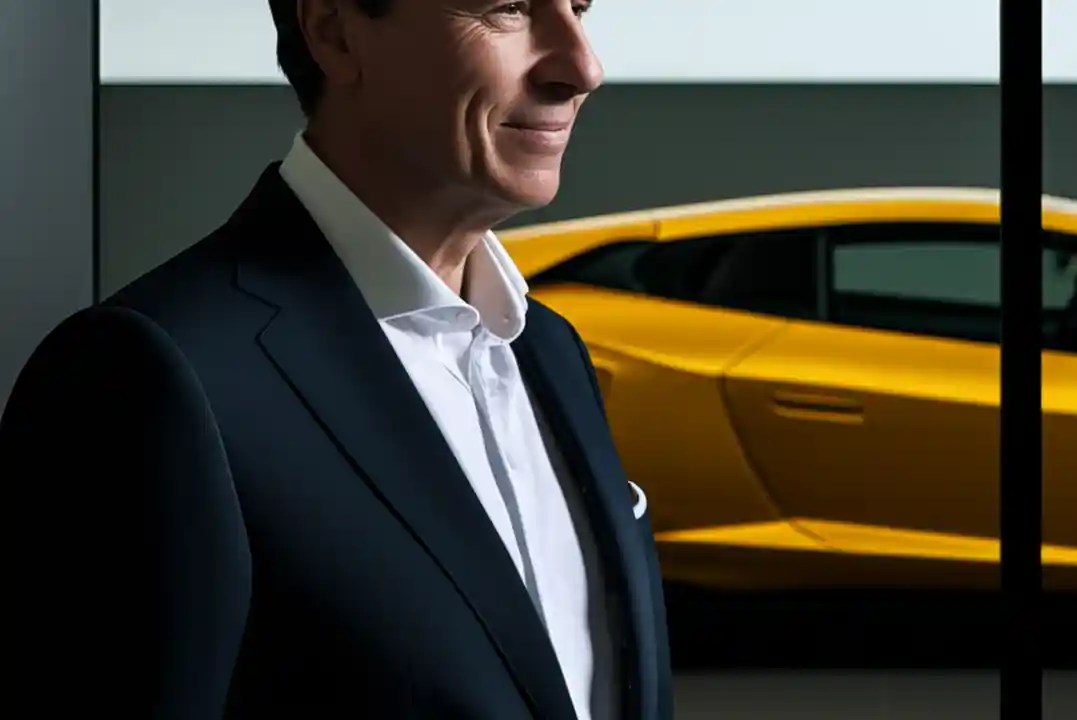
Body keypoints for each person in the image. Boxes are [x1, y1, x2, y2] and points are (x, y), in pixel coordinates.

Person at [0, 0, 672, 717]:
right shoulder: (145, 373)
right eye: (508, 9)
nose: (582, 68)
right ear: (334, 32)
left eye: (579, 8)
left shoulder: (550, 351)